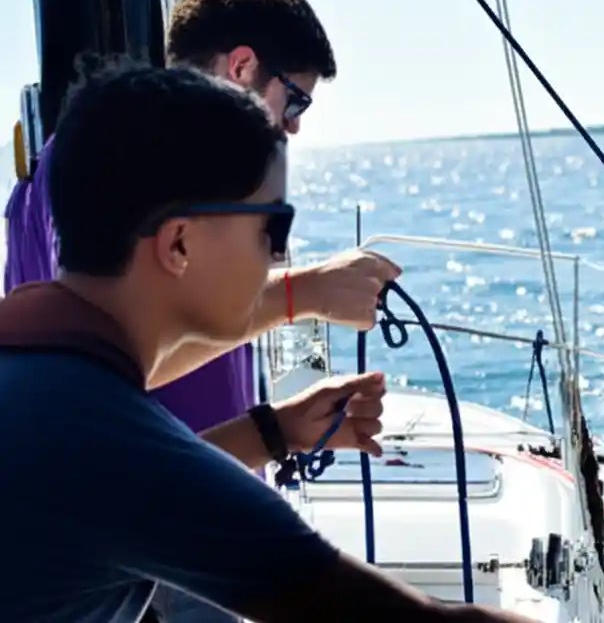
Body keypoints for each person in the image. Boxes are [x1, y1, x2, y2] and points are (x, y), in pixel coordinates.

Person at [0, 62, 536, 623]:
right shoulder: (104, 440)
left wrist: (275, 432)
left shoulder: (41, 381)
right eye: (272, 229)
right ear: (179, 244)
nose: (281, 257)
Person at [2, 0, 395, 621]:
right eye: (294, 100)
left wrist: (277, 429)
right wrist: (305, 293)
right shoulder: (105, 173)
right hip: (162, 561)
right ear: (242, 66)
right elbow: (108, 385)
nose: (293, 127)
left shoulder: (152, 179)